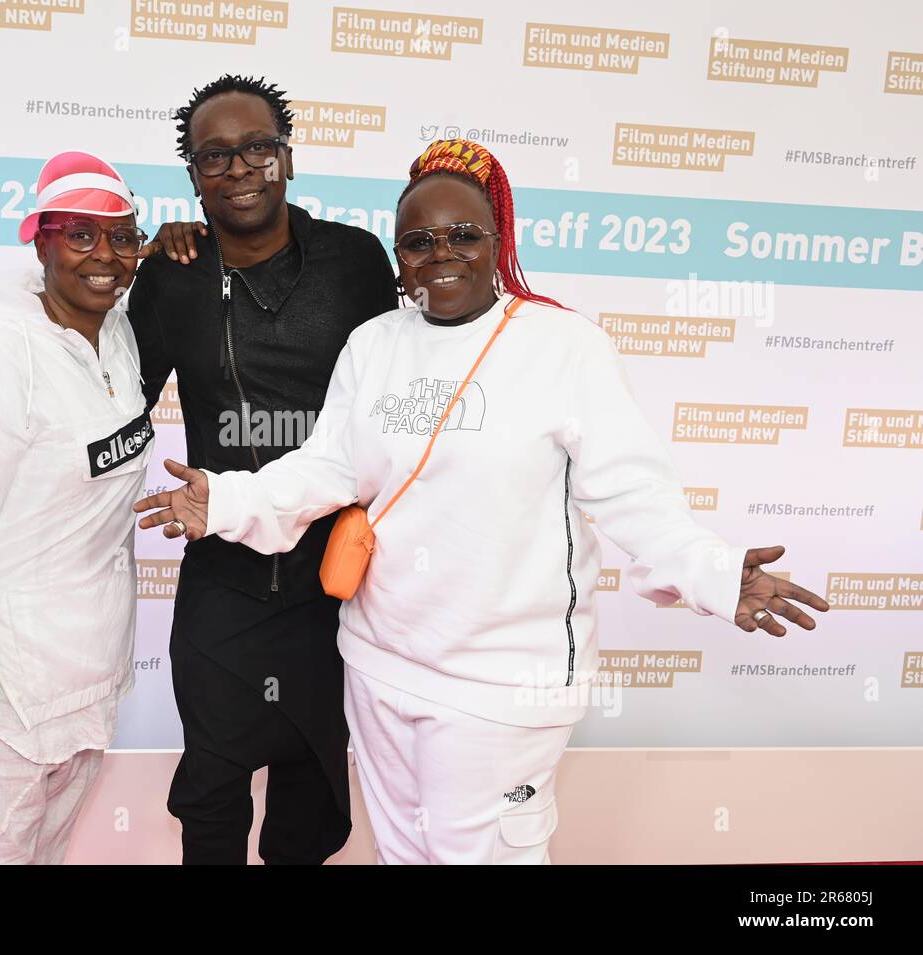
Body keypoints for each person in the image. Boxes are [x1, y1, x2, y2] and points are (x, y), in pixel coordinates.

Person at [134, 138, 830, 865]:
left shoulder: (562, 346)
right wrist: (225, 499)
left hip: (502, 685)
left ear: (498, 239)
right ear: (397, 258)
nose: (442, 254)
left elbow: (633, 492)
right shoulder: (374, 344)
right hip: (378, 665)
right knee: (404, 854)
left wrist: (714, 571)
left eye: (463, 235)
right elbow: (326, 467)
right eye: (418, 241)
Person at [126, 74, 398, 864]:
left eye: (258, 148)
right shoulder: (173, 276)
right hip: (225, 578)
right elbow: (120, 401)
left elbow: (396, 399)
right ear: (193, 176)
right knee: (211, 792)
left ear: (288, 157)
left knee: (310, 797)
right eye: (216, 156)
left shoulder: (354, 261)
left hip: (336, 580)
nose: (239, 168)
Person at [0, 151, 154, 864]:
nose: (105, 256)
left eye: (123, 236)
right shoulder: (0, 354)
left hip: (85, 675)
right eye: (81, 235)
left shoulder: (114, 330)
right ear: (40, 241)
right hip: (1, 683)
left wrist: (176, 243)